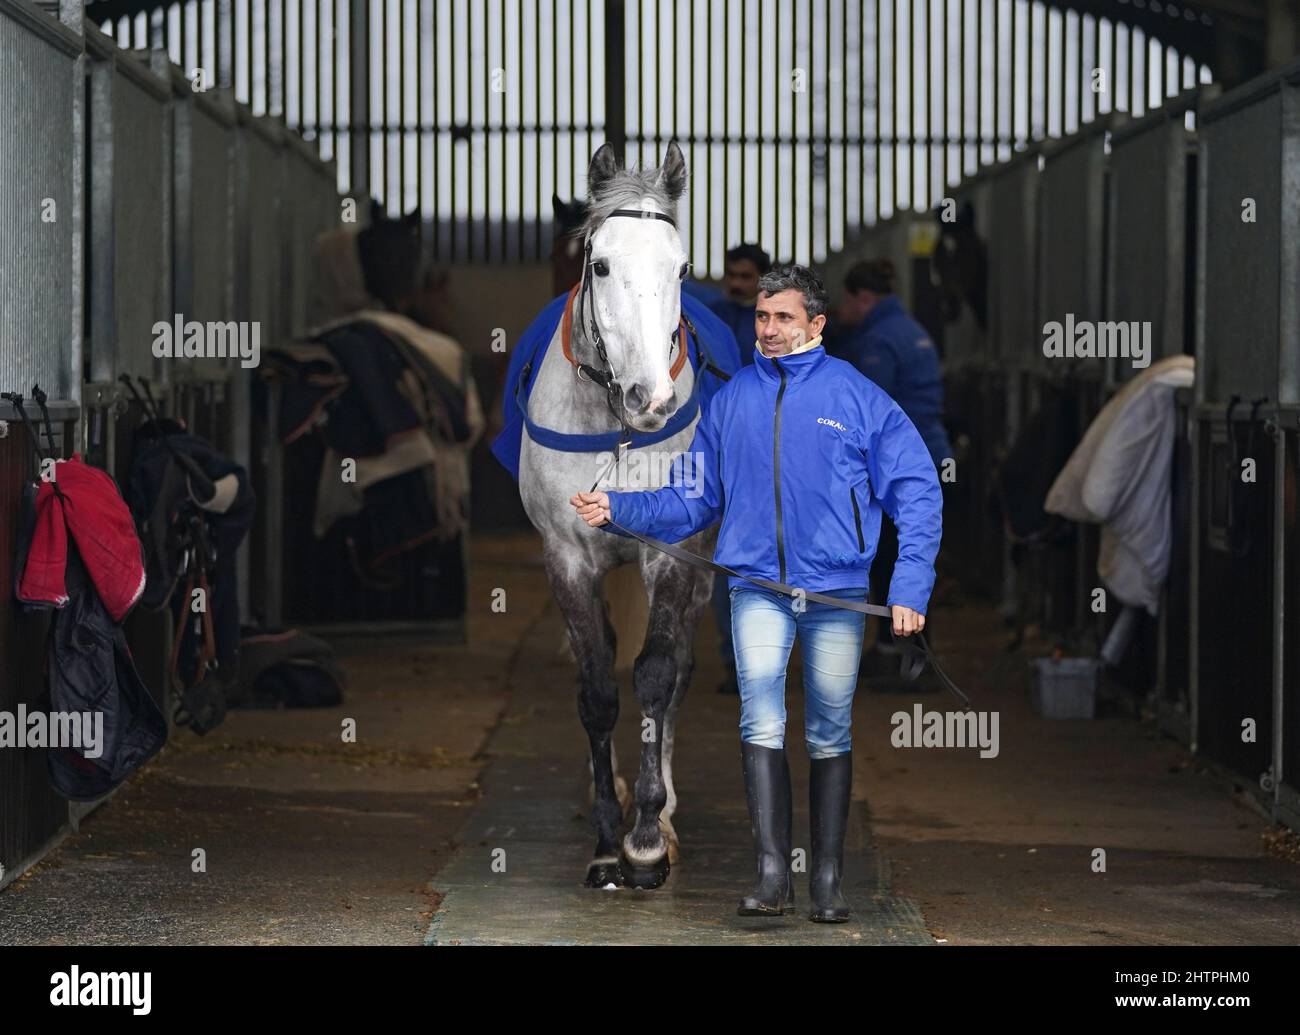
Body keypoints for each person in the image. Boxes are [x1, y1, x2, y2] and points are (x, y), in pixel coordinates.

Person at [569, 264, 943, 922]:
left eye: (783, 319)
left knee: (828, 729)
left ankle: (826, 878)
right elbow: (694, 495)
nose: (768, 329)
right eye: (763, 318)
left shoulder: (858, 398)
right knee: (760, 719)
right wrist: (619, 506)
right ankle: (773, 873)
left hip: (836, 593)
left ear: (816, 325)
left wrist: (910, 585)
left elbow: (916, 487)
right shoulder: (733, 398)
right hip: (757, 590)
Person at [835, 260, 952, 670]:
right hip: (931, 458)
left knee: (888, 560)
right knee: (910, 557)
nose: (841, 311)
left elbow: (871, 414)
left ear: (863, 299)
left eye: (846, 301)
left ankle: (902, 656)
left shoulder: (877, 342)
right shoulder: (911, 331)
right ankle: (903, 653)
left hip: (901, 468)